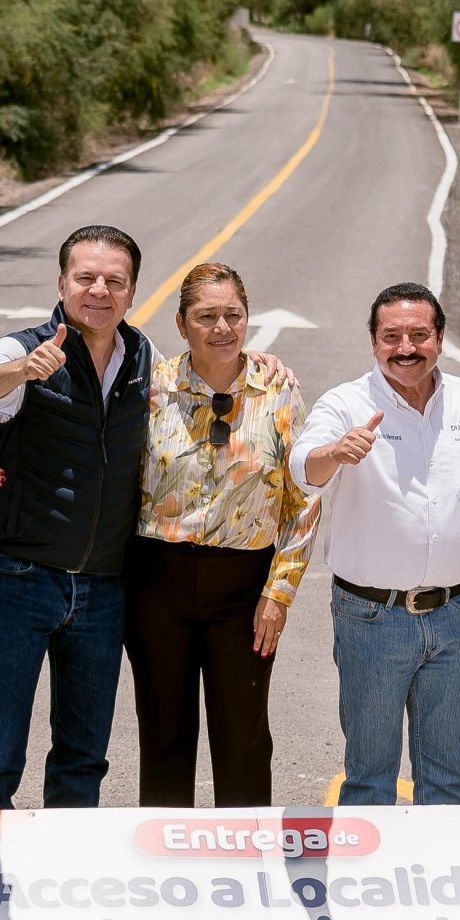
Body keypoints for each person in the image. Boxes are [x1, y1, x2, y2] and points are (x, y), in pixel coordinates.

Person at [0, 226, 156, 809]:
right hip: (21, 577)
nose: (99, 290)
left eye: (114, 281)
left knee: (83, 756)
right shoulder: (25, 347)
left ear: (132, 290)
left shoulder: (144, 357)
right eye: (86, 278)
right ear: (62, 282)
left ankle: (65, 885)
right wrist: (23, 371)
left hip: (104, 587)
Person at [291, 283, 460, 806]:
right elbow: (303, 469)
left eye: (418, 335)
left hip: (455, 615)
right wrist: (335, 452)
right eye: (391, 336)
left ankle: (438, 882)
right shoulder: (345, 404)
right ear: (373, 341)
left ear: (440, 338)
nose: (405, 348)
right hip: (372, 618)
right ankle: (367, 886)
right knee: (369, 779)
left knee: (447, 780)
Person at [124, 262, 317, 807]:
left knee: (245, 736)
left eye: (233, 315)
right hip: (157, 583)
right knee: (163, 734)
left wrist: (278, 594)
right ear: (183, 324)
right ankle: (167, 871)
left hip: (243, 589)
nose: (222, 327)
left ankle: (249, 869)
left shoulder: (278, 390)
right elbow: (103, 469)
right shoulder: (150, 387)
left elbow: (302, 503)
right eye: (206, 316)